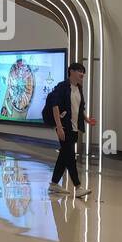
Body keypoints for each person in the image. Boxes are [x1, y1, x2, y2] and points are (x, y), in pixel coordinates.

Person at [45, 61, 95, 198]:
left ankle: (54, 184)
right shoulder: (62, 87)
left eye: (83, 71)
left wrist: (87, 119)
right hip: (64, 126)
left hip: (74, 127)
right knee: (70, 156)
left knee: (64, 156)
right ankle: (78, 187)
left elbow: (80, 108)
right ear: (71, 71)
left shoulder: (78, 88)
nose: (82, 74)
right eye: (80, 71)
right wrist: (59, 127)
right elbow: (55, 106)